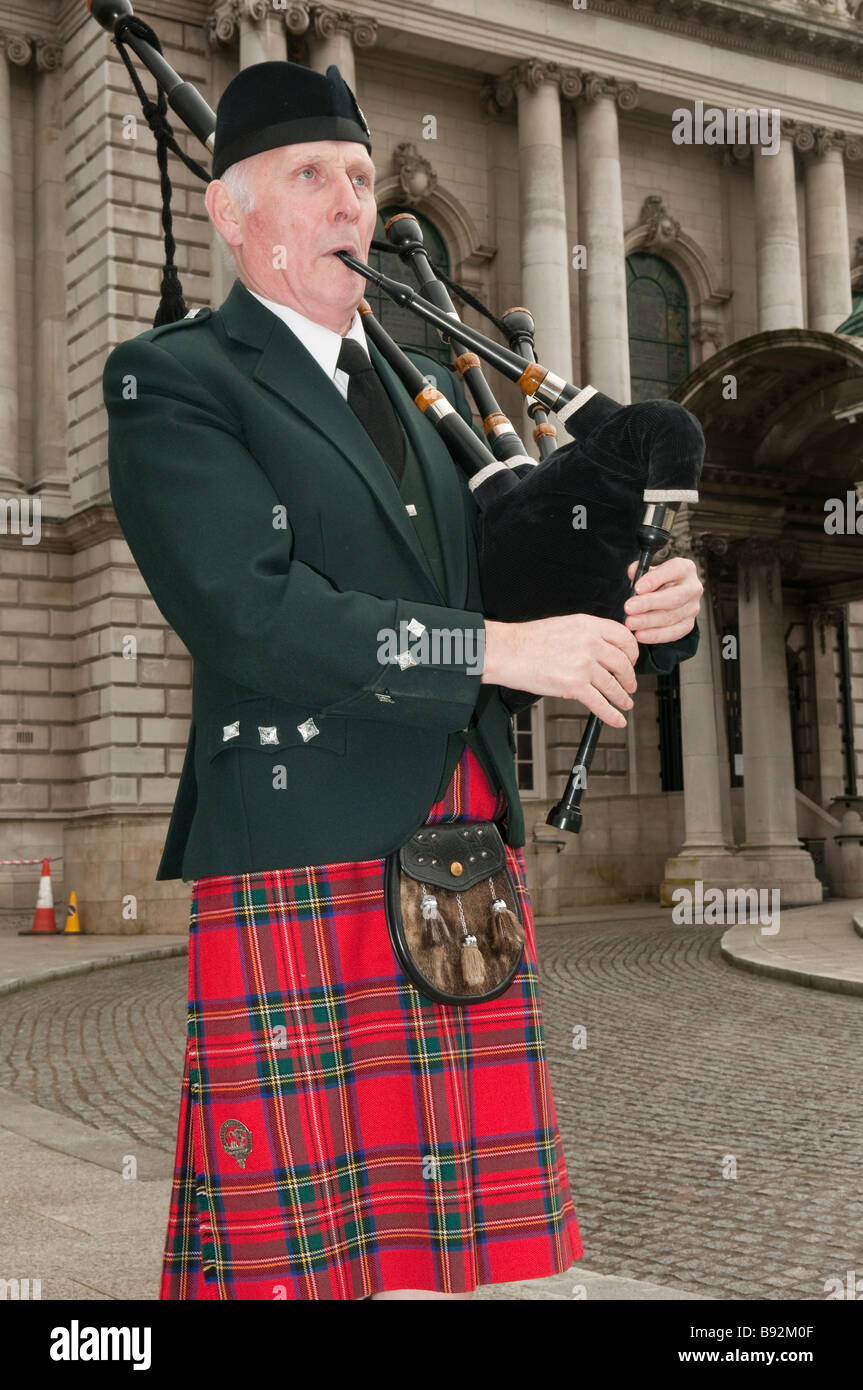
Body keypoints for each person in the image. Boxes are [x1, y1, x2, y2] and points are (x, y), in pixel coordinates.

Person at [102, 60, 702, 1301]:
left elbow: (510, 586)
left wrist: (647, 610)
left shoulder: (418, 404)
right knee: (296, 1261)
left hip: (453, 852)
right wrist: (493, 650)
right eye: (309, 176)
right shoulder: (176, 379)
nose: (349, 204)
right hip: (300, 846)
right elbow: (249, 615)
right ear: (229, 213)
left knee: (439, 1262)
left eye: (361, 178)